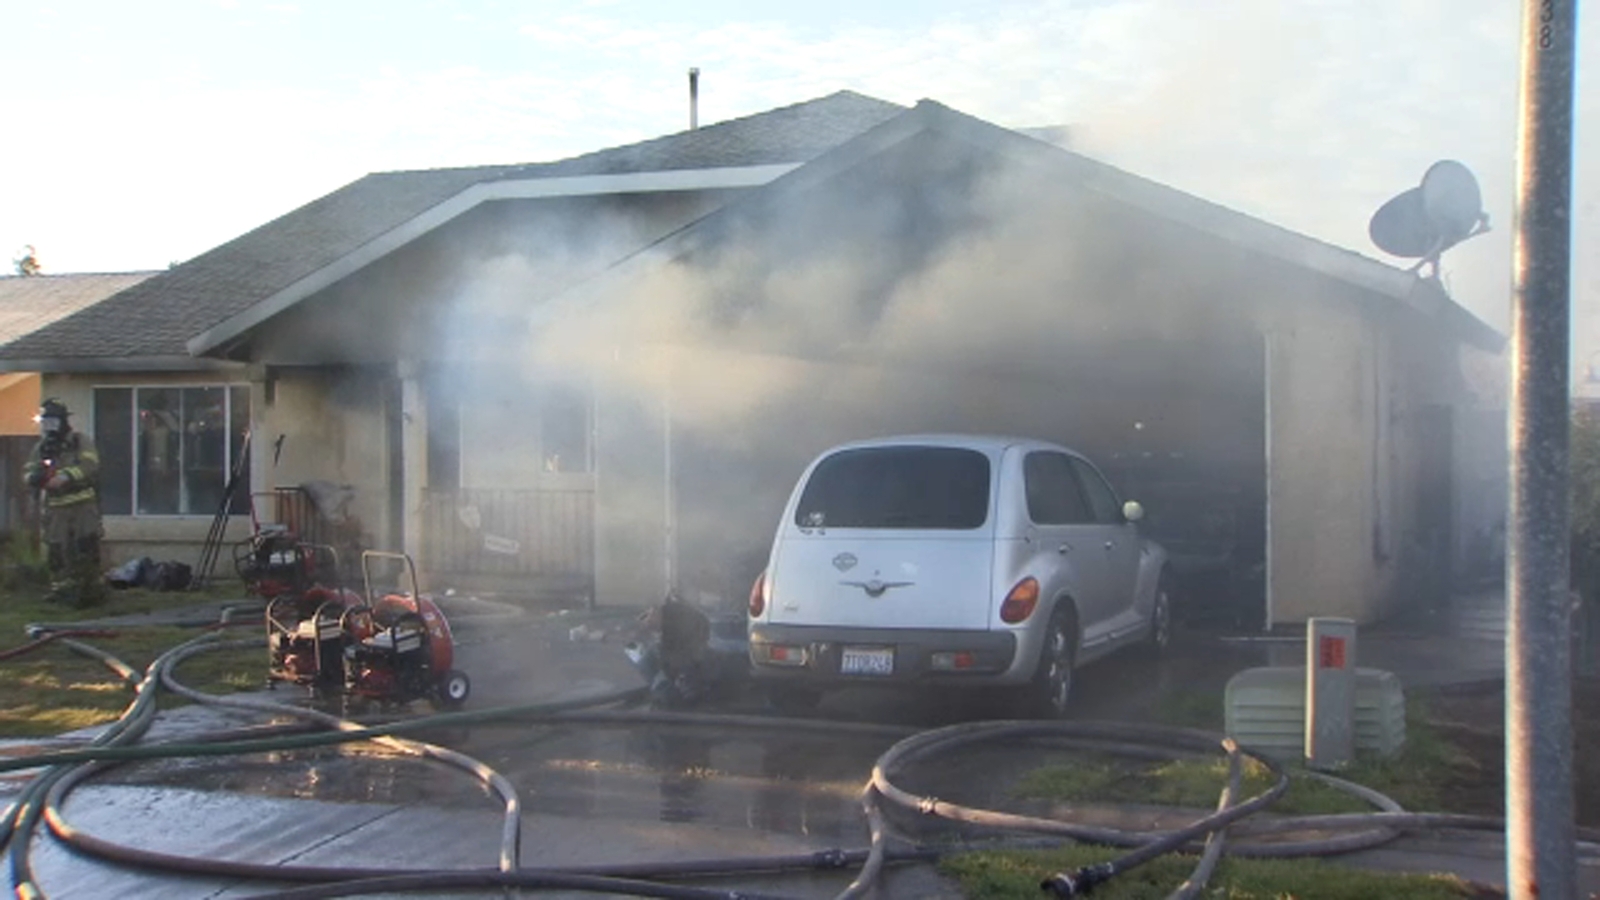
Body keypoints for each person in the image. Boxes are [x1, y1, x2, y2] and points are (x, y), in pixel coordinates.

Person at [23, 399, 104, 605]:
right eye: (46, 423)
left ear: (63, 421)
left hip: (83, 504)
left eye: (53, 422)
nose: (50, 428)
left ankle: (89, 587)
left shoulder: (79, 441)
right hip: (56, 508)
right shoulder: (42, 448)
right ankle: (60, 589)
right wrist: (35, 477)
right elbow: (28, 471)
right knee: (57, 549)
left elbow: (90, 465)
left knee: (86, 543)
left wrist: (66, 476)